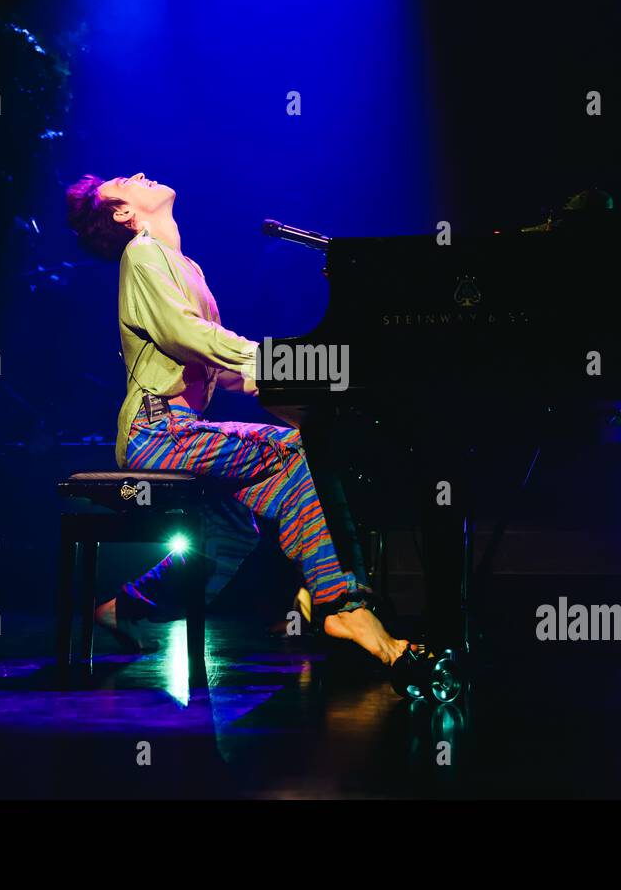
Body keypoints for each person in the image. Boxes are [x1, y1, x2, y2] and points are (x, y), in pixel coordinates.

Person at [65, 172, 409, 666]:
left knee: (234, 533)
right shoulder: (140, 253)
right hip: (156, 430)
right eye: (126, 180)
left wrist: (297, 377)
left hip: (182, 430)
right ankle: (341, 603)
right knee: (292, 450)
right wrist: (284, 364)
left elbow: (219, 367)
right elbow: (186, 335)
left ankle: (122, 609)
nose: (140, 175)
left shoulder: (187, 267)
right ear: (123, 214)